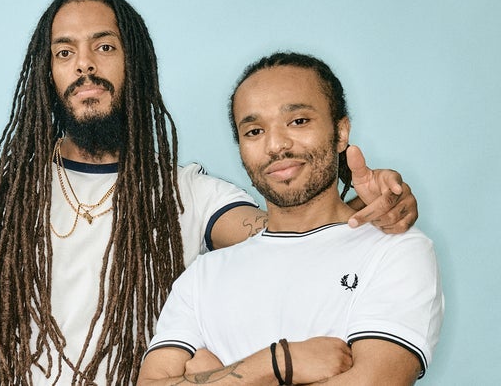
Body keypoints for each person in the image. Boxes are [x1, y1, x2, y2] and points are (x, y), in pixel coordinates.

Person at [0, 0, 419, 386]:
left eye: (105, 47)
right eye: (65, 52)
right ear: (48, 75)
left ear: (135, 65)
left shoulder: (191, 195)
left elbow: (286, 229)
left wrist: (368, 203)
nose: (84, 65)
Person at [138, 52, 443, 385]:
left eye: (298, 121)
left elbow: (374, 381)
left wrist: (218, 377)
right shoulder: (202, 276)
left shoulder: (396, 252)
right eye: (254, 131)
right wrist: (278, 362)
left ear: (341, 132)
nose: (276, 145)